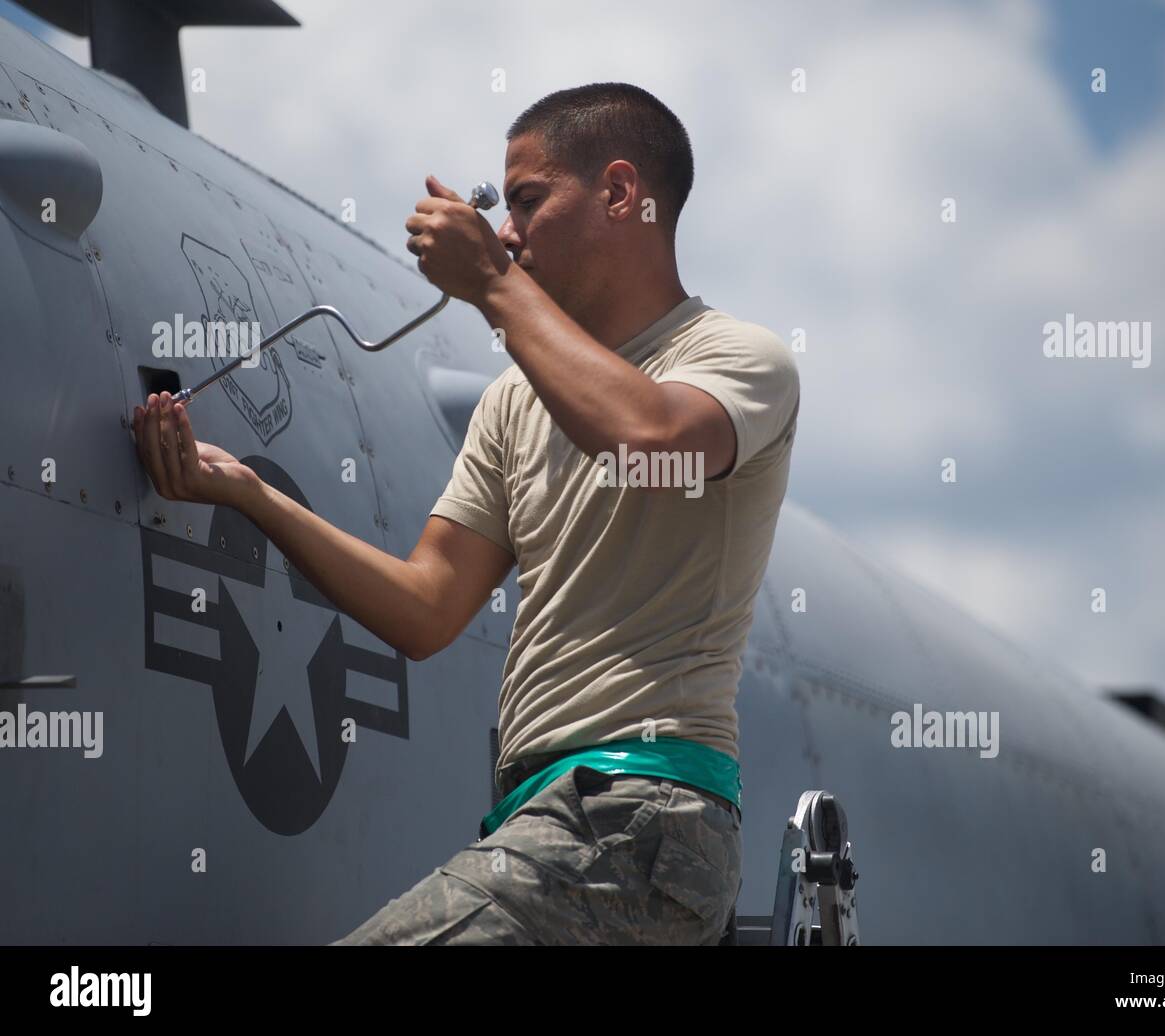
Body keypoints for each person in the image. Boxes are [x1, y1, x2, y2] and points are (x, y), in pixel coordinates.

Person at [132, 82, 799, 945]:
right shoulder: (513, 404)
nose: (509, 232)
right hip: (545, 817)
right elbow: (428, 604)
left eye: (526, 200)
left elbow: (647, 442)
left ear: (622, 194)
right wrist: (244, 491)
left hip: (643, 812)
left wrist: (488, 282)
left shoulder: (736, 358)